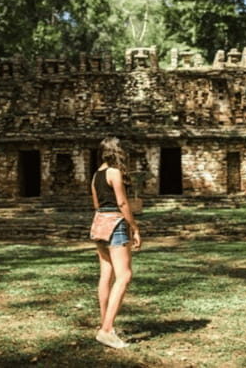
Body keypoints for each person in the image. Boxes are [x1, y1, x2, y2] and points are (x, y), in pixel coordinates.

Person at [91, 136, 142, 349]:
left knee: (106, 276)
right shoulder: (115, 172)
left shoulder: (96, 176)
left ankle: (106, 325)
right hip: (116, 224)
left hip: (100, 222)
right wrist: (135, 227)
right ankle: (106, 329)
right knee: (125, 275)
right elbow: (121, 202)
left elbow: (96, 204)